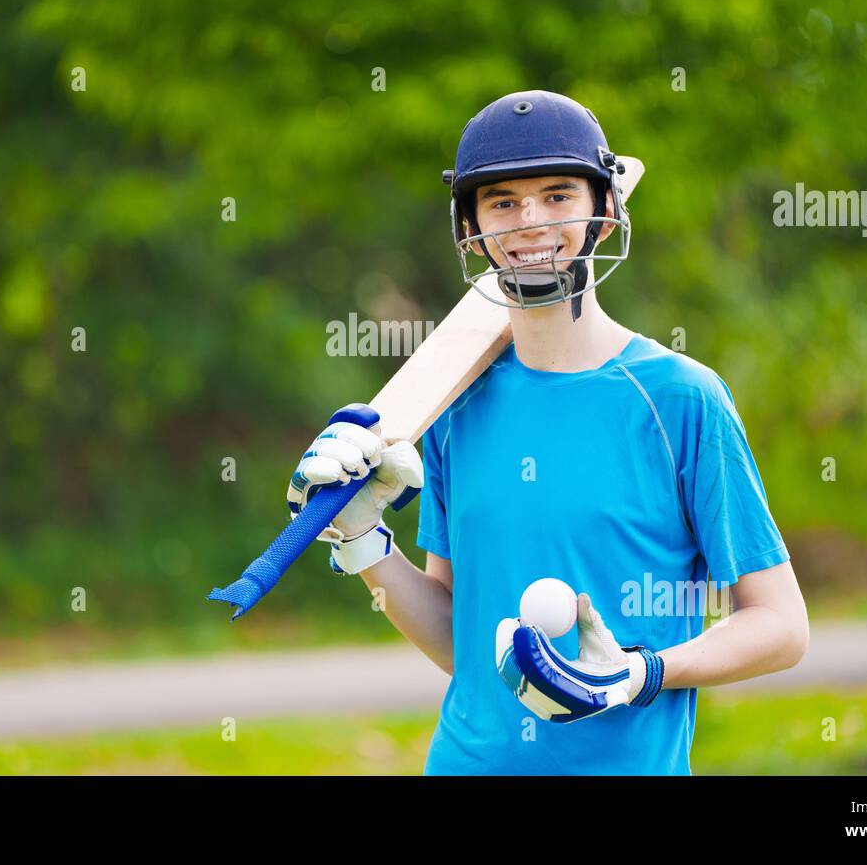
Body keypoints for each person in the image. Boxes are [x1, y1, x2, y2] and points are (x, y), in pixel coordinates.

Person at [286, 90, 809, 774]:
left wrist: (638, 672)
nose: (530, 220)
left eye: (558, 195)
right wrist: (362, 541)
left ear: (606, 210)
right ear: (471, 227)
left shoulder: (681, 400)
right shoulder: (454, 406)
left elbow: (780, 626)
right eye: (502, 202)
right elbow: (464, 643)